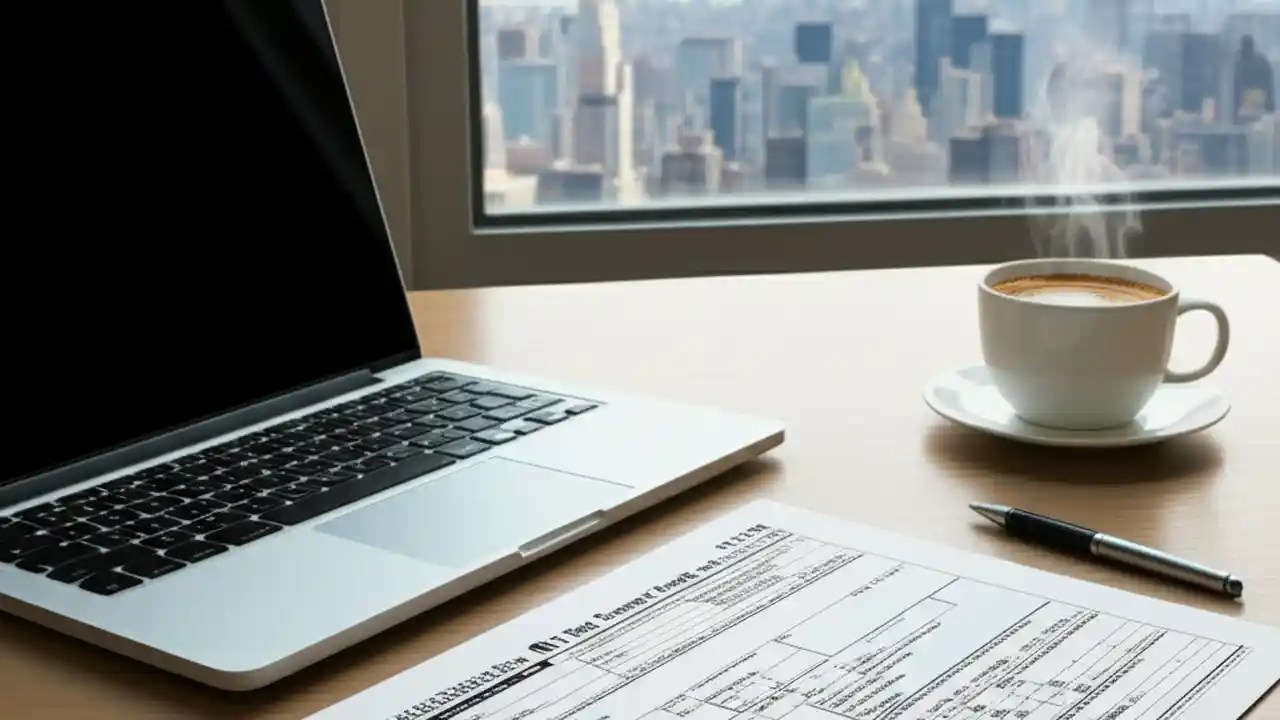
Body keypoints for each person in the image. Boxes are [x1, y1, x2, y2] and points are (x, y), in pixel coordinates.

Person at [1233, 35, 1275, 124]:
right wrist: (1271, 108)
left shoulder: (1239, 63)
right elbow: (1269, 86)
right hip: (1260, 106)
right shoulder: (1263, 61)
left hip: (1246, 107)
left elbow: (1237, 89)